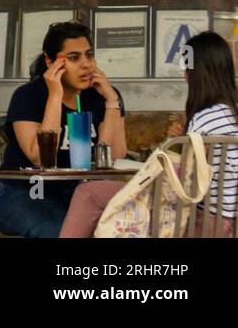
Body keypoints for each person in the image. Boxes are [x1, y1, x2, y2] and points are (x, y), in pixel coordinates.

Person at [61, 30, 238, 237]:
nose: (184, 74)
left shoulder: (204, 118)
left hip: (196, 220)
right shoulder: (230, 113)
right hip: (226, 222)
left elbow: (181, 182)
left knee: (88, 193)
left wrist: (157, 160)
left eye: (186, 67)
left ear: (198, 71)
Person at [0, 21, 127, 238]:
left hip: (83, 194)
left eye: (89, 55)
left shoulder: (101, 96)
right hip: (29, 192)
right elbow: (38, 157)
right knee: (60, 231)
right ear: (50, 61)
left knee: (124, 228)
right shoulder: (28, 96)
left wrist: (111, 101)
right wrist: (55, 96)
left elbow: (115, 158)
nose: (86, 65)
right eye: (74, 58)